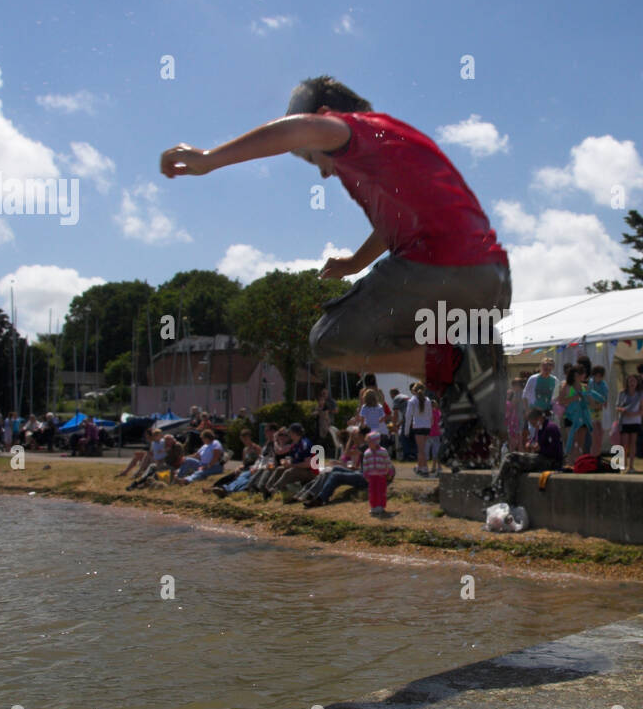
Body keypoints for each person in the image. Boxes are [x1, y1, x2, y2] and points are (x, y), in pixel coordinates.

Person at [160, 75, 511, 467]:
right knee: (465, 427)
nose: (324, 173)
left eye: (312, 158)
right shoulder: (394, 144)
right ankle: (474, 428)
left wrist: (209, 159)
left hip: (439, 268)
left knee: (330, 340)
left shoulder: (355, 130)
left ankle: (454, 362)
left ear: (326, 117)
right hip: (489, 280)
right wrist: (354, 264)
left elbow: (303, 128)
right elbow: (397, 220)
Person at [480, 408, 564, 504]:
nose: (533, 426)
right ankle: (510, 502)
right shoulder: (540, 428)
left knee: (511, 457)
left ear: (540, 418)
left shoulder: (551, 428)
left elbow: (556, 451)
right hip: (542, 459)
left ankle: (494, 487)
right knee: (513, 470)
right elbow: (536, 444)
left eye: (533, 423)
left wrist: (539, 448)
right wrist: (532, 445)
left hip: (551, 462)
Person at [403, 383, 435, 476]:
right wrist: (430, 425)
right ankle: (419, 467)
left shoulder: (412, 401)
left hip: (418, 426)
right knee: (422, 448)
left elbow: (408, 416)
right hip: (427, 427)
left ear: (413, 391)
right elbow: (431, 416)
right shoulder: (428, 400)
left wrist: (406, 431)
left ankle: (424, 468)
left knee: (421, 450)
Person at [614, 374, 643, 473]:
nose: (632, 383)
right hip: (624, 421)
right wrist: (623, 410)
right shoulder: (622, 393)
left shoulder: (640, 395)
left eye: (634, 381)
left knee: (633, 443)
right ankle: (623, 463)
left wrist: (633, 414)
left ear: (637, 383)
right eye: (630, 381)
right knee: (624, 443)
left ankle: (631, 465)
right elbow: (617, 407)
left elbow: (642, 410)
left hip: (635, 422)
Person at [362, 430, 395, 517]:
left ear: (376, 442)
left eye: (370, 442)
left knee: (381, 491)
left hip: (381, 475)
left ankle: (380, 506)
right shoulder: (367, 453)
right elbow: (365, 464)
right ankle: (373, 506)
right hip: (372, 476)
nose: (368, 444)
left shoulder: (383, 451)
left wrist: (390, 471)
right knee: (372, 491)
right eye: (368, 442)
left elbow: (388, 462)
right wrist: (365, 474)